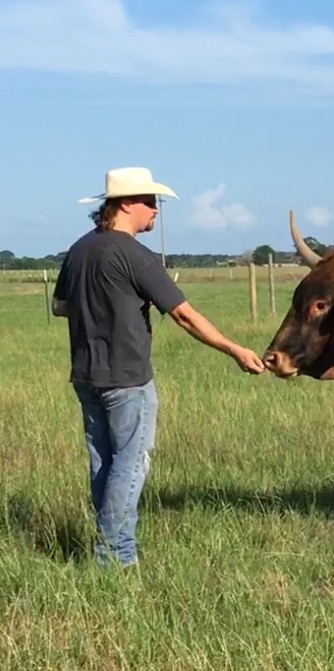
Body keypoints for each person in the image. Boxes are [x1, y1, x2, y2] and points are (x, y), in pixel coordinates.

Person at [52, 166, 265, 568]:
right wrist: (234, 349)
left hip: (85, 376)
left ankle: (110, 550)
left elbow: (59, 306)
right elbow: (184, 315)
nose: (155, 211)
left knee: (104, 464)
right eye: (150, 202)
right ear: (127, 204)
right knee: (130, 467)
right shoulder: (135, 254)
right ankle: (116, 555)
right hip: (128, 379)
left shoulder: (79, 250)